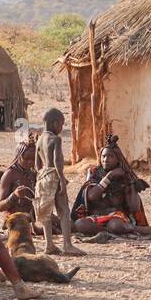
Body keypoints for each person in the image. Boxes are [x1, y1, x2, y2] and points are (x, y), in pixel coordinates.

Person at [72, 136, 151, 238]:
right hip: (95, 217)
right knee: (80, 224)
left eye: (110, 156)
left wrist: (130, 181)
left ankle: (134, 229)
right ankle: (106, 232)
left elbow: (134, 207)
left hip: (117, 217)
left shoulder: (125, 177)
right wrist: (109, 176)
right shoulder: (94, 173)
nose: (105, 159)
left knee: (115, 225)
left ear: (118, 159)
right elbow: (91, 196)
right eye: (103, 156)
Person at [34, 108, 85, 257]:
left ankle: (49, 244)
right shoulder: (55, 139)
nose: (61, 129)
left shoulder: (39, 140)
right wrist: (62, 180)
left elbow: (37, 165)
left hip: (42, 176)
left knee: (46, 212)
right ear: (55, 123)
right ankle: (67, 245)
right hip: (54, 175)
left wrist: (41, 176)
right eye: (62, 125)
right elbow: (57, 161)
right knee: (63, 210)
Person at [0, 137, 38, 222]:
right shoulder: (10, 174)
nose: (30, 162)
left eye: (33, 159)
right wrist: (14, 196)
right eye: (26, 159)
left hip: (31, 217)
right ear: (19, 156)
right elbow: (0, 207)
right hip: (14, 219)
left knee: (62, 224)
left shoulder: (33, 174)